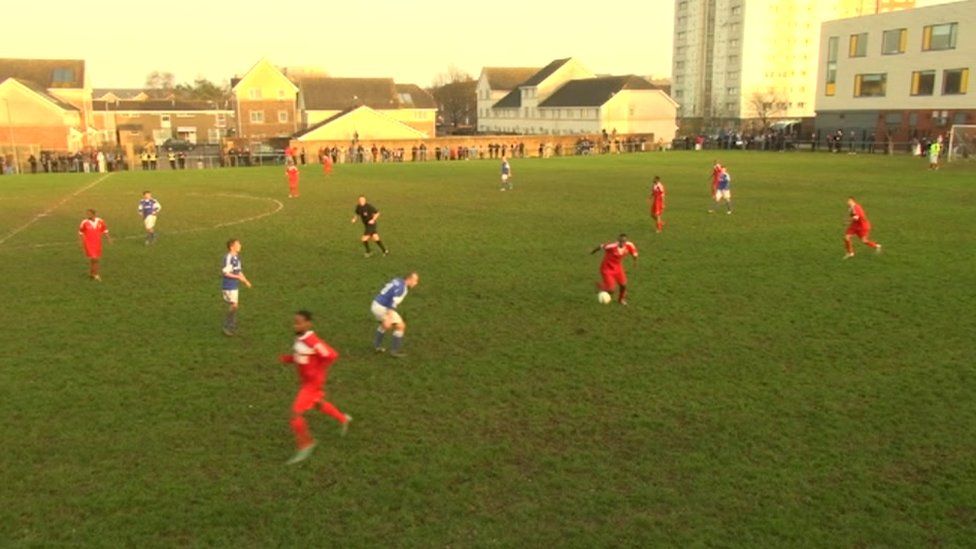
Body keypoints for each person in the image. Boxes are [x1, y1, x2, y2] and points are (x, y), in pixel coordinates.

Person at [279, 310, 351, 465]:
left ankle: (306, 444)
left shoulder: (312, 340)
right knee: (317, 404)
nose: (295, 325)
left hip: (312, 383)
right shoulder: (301, 338)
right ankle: (343, 419)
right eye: (294, 322)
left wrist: (318, 371)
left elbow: (331, 355)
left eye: (298, 322)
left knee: (295, 413)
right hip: (307, 381)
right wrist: (288, 359)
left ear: (308, 324)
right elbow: (302, 356)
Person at [371, 272, 419, 358]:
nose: (416, 283)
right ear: (410, 279)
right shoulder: (402, 289)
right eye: (415, 281)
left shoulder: (397, 280)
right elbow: (392, 304)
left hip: (375, 304)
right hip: (383, 307)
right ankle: (394, 351)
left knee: (385, 325)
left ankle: (376, 345)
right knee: (401, 326)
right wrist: (389, 318)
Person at [591, 234, 638, 305]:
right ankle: (600, 287)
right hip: (607, 268)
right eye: (620, 241)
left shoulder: (629, 245)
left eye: (624, 241)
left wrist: (635, 261)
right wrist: (593, 251)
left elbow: (634, 253)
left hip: (618, 267)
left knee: (623, 285)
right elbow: (601, 246)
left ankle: (621, 299)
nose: (622, 243)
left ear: (626, 241)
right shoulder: (612, 246)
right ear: (618, 241)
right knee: (611, 290)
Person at [220, 238, 252, 336]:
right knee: (234, 305)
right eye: (238, 244)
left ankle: (230, 326)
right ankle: (228, 326)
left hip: (234, 285)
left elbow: (238, 270)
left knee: (234, 306)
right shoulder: (228, 257)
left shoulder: (237, 257)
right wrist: (238, 277)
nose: (240, 246)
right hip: (228, 285)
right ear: (232, 247)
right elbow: (226, 273)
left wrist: (245, 280)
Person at [78, 209, 111, 281]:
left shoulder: (100, 221)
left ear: (94, 214)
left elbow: (105, 230)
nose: (88, 215)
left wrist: (108, 238)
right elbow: (80, 232)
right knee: (95, 259)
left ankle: (92, 274)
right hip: (88, 243)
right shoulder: (84, 222)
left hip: (97, 243)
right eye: (87, 214)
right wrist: (80, 242)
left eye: (89, 214)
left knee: (94, 259)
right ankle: (96, 275)